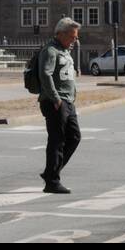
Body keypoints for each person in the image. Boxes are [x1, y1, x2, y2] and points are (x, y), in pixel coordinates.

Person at [38, 17, 81, 194]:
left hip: (68, 102)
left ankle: (51, 172)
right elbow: (45, 75)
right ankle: (52, 181)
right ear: (61, 34)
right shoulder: (50, 50)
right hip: (55, 102)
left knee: (74, 137)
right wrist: (56, 99)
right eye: (72, 36)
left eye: (76, 37)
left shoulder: (64, 50)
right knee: (57, 140)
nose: (75, 40)